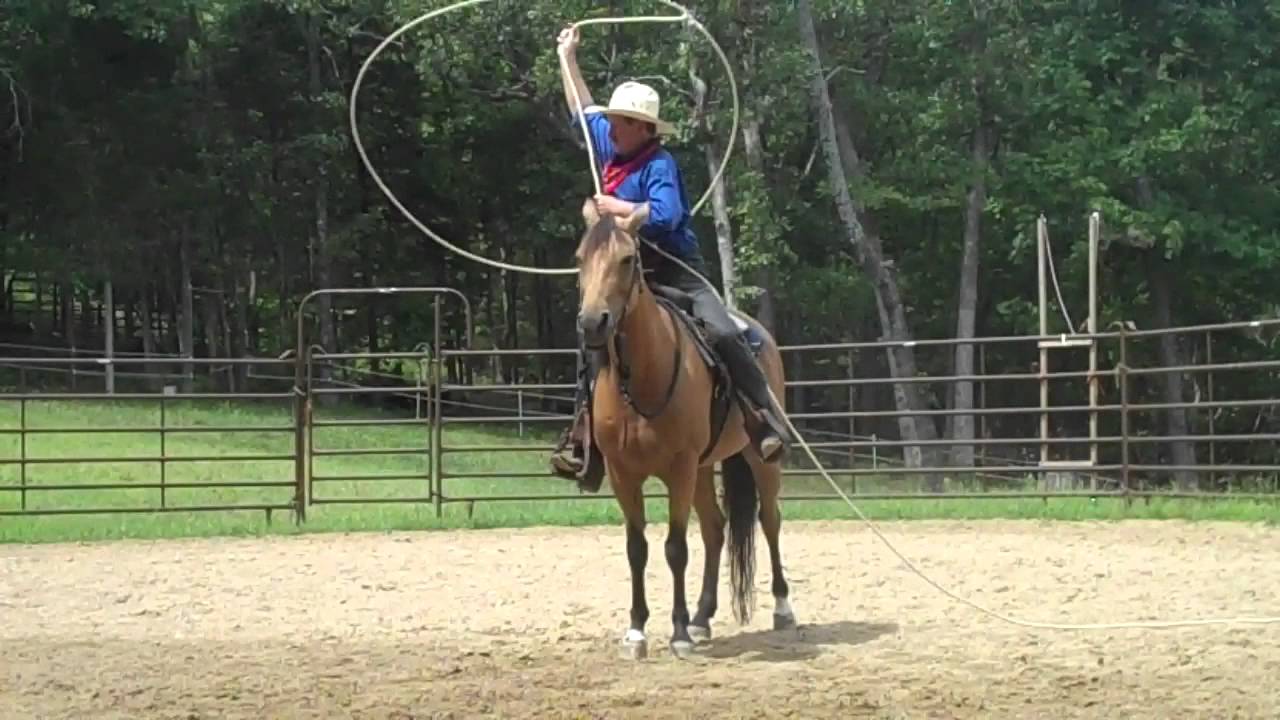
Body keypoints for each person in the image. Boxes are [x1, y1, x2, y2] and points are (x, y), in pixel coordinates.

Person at [549, 25, 792, 484]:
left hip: (675, 271)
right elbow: (582, 110)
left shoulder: (659, 165)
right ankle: (585, 438)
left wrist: (618, 209)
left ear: (642, 128)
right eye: (613, 120)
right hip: (625, 278)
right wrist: (569, 58)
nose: (611, 127)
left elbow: (665, 215)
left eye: (620, 121)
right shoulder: (612, 146)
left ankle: (762, 420)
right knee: (592, 338)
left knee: (722, 329)